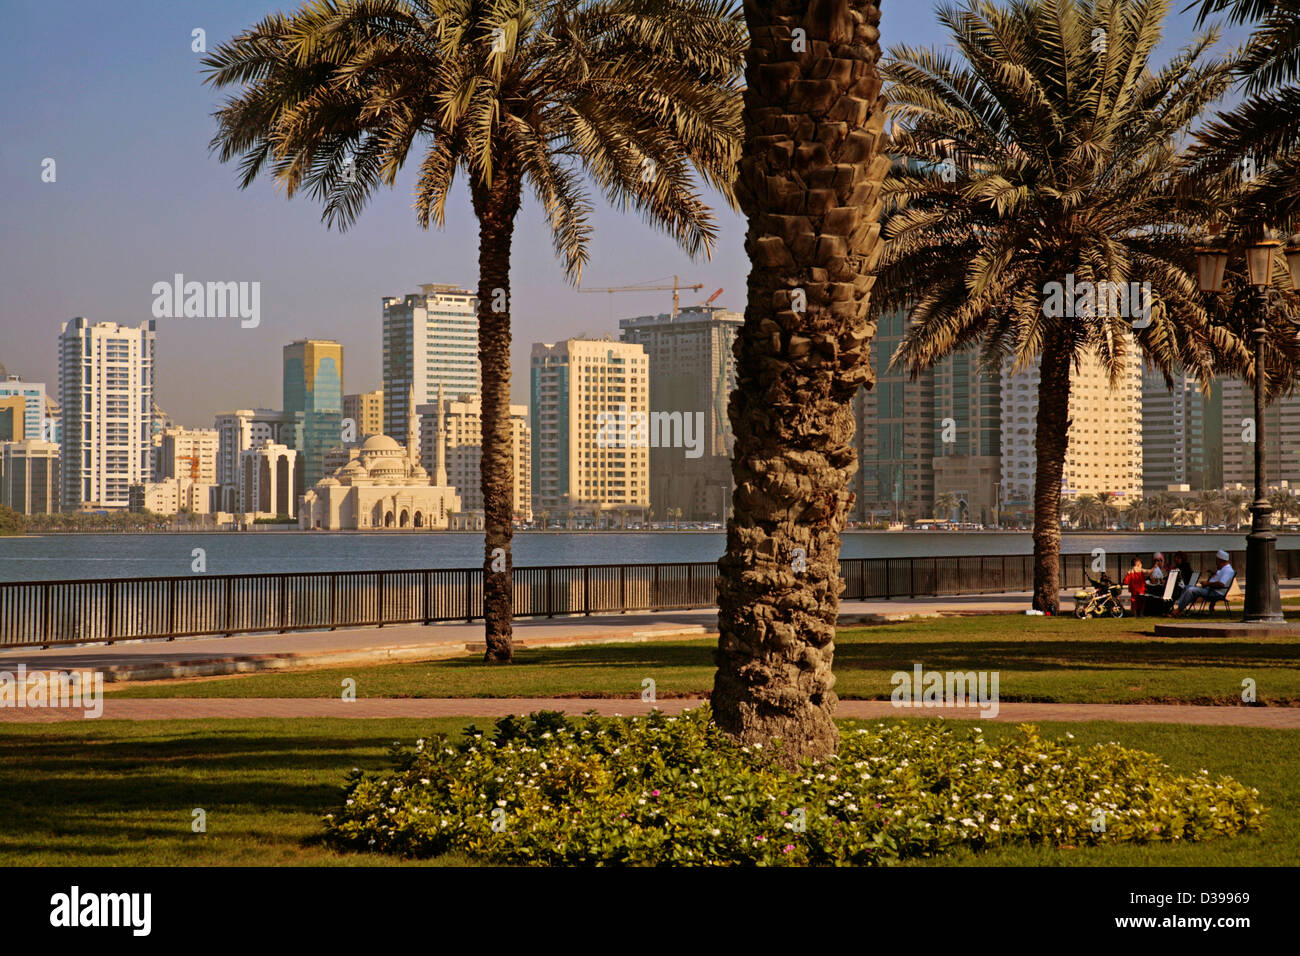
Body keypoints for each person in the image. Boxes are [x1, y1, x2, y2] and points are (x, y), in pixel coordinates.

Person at [1171, 550, 1234, 615]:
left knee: (1190, 590)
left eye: (1217, 560)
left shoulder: (1227, 570)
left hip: (1214, 593)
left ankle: (1178, 610)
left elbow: (1222, 584)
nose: (1216, 562)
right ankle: (1180, 608)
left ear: (1221, 561)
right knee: (1188, 587)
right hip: (1210, 590)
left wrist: (1207, 584)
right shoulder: (1223, 569)